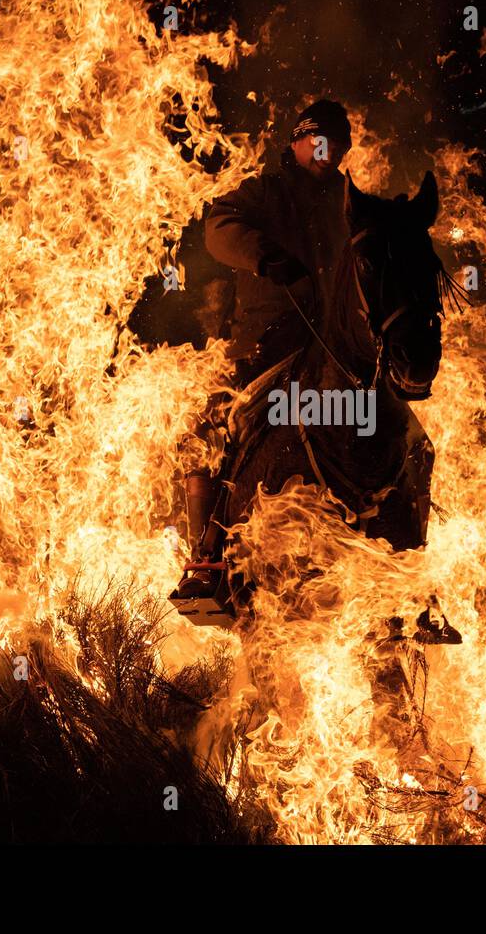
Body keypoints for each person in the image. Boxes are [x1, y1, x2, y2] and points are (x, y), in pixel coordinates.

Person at [174, 99, 355, 600]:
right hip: (266, 344)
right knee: (210, 440)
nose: (327, 150)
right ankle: (208, 561)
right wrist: (265, 258)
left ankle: (414, 575)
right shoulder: (266, 193)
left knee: (406, 437)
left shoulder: (351, 201)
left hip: (338, 350)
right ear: (296, 142)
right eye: (318, 139)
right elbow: (219, 228)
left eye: (337, 143)